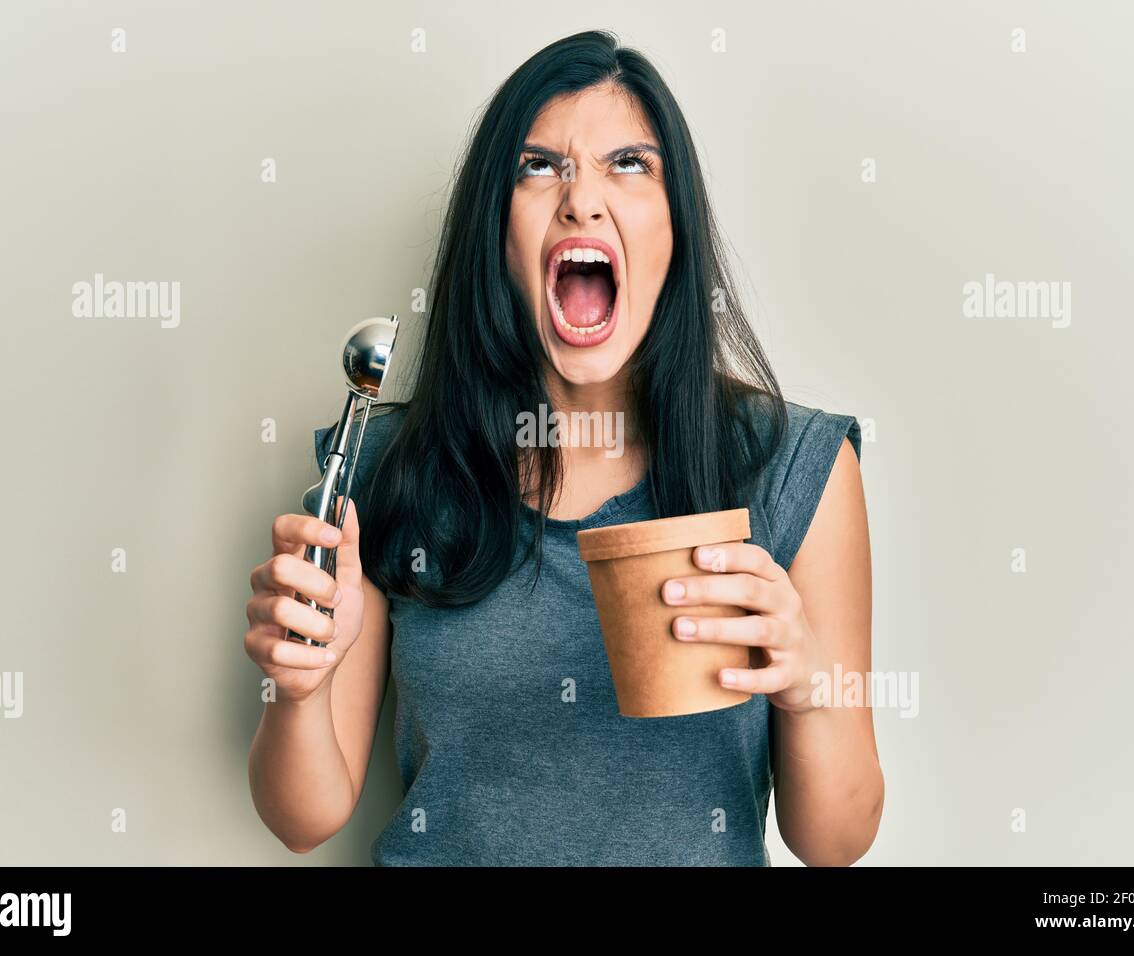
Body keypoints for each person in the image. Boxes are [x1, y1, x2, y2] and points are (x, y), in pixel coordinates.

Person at [244, 29, 882, 866]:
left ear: (675, 232)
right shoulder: (390, 465)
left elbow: (837, 842)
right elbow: (304, 817)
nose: (581, 198)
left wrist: (806, 690)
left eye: (629, 164)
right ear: (498, 236)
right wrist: (300, 687)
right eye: (539, 166)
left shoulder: (796, 466)